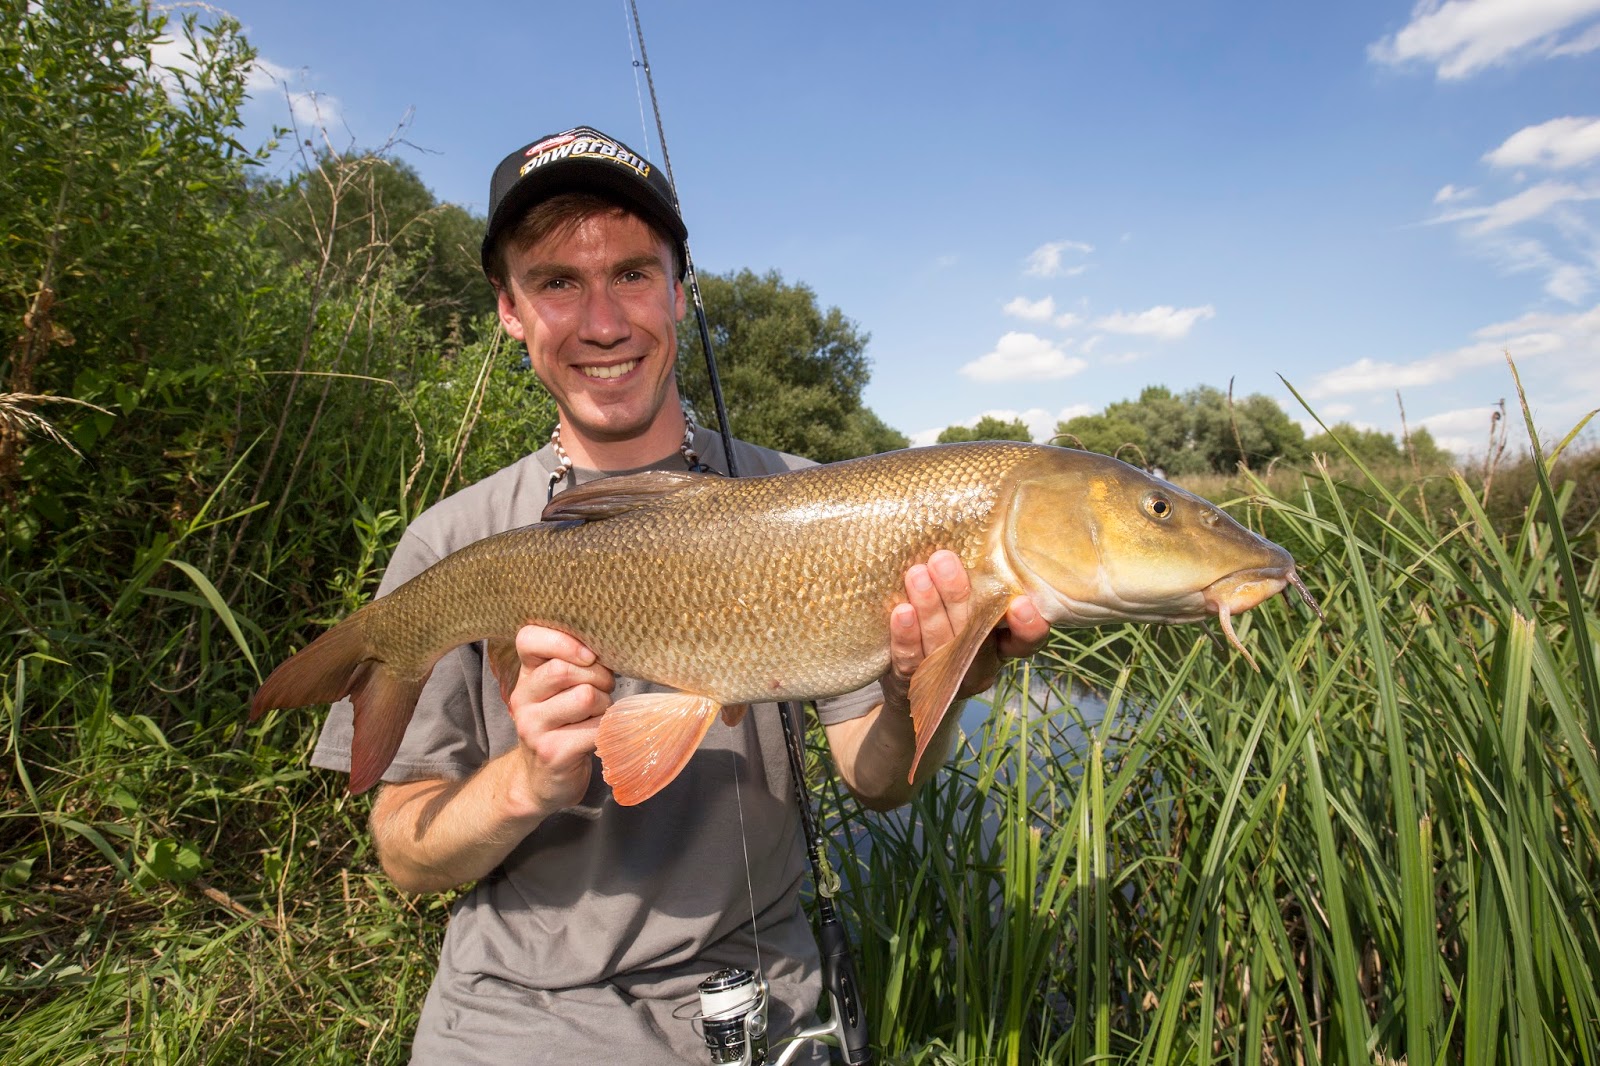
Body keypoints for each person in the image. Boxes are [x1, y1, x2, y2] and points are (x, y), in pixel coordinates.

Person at [310, 126, 1049, 1064]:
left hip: (763, 990)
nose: (604, 321)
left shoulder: (817, 501)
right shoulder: (452, 544)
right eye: (556, 282)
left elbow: (879, 781)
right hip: (521, 1013)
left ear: (678, 293)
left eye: (631, 274)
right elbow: (405, 859)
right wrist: (528, 782)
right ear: (508, 310)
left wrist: (924, 684)